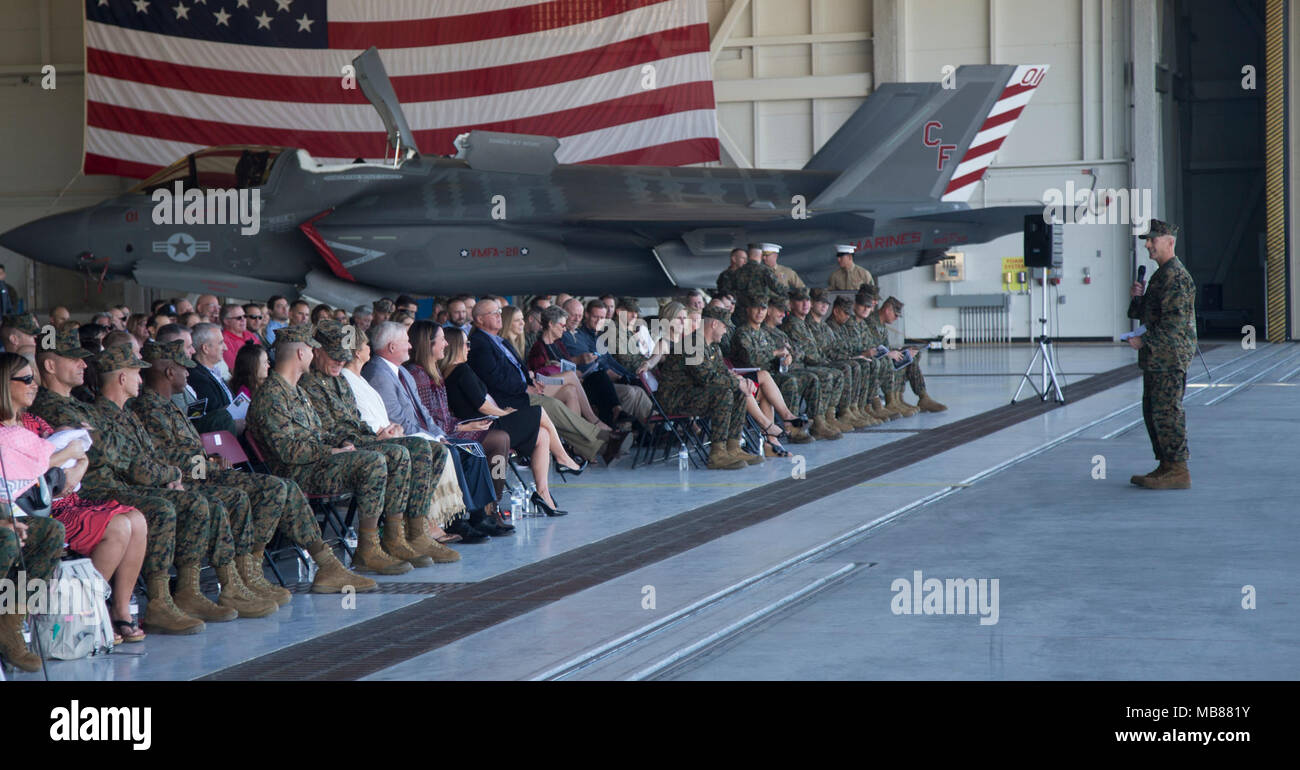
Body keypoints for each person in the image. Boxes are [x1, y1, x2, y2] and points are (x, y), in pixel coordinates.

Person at [133, 339, 369, 596]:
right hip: (188, 482)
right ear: (170, 372)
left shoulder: (167, 405)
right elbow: (168, 459)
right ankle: (245, 575)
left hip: (203, 475)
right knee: (265, 491)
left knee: (282, 487)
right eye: (184, 368)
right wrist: (209, 463)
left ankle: (316, 564)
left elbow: (181, 452)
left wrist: (209, 459)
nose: (188, 373)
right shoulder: (149, 408)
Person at [4, 352, 148, 647]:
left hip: (63, 494)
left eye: (34, 379)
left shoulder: (33, 420)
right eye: (27, 380)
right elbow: (31, 472)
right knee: (119, 526)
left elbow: (79, 456)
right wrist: (65, 461)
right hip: (37, 505)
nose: (35, 386)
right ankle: (90, 612)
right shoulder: (6, 427)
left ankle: (117, 609)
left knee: (137, 519)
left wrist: (73, 466)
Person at [302, 321, 465, 560]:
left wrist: (374, 436)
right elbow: (328, 430)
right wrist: (367, 438)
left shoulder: (336, 381)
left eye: (343, 356)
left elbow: (351, 423)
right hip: (333, 456)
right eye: (335, 356)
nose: (340, 361)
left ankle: (414, 531)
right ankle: (379, 542)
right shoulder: (313, 384)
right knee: (400, 452)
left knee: (433, 450)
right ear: (317, 353)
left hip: (358, 443)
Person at [442, 327, 578, 515]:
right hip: (485, 424)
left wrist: (502, 412)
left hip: (484, 421)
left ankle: (543, 493)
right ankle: (563, 458)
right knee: (538, 411)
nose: (469, 348)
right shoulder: (461, 370)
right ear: (456, 346)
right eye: (466, 344)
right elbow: (482, 405)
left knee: (542, 434)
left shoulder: (454, 371)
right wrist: (503, 414)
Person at [1127, 219, 1197, 489]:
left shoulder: (1176, 277)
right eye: (1147, 240)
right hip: (1158, 357)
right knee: (1153, 412)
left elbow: (1174, 324)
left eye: (1152, 240)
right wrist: (1138, 297)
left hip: (1170, 356)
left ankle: (1179, 470)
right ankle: (1166, 464)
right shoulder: (1160, 275)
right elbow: (1143, 313)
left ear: (1169, 242)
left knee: (1167, 412)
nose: (1147, 245)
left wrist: (1145, 340)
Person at [731, 293, 838, 440]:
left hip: (771, 375)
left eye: (763, 308)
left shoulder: (764, 334)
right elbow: (751, 358)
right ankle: (791, 427)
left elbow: (785, 352)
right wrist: (776, 353)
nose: (760, 312)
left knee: (811, 378)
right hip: (752, 378)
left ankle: (817, 422)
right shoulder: (742, 333)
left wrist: (786, 357)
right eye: (756, 308)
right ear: (748, 310)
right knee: (790, 381)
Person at [655, 307, 752, 469]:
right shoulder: (692, 344)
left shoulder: (713, 346)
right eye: (724, 327)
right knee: (724, 393)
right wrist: (737, 383)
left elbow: (722, 373)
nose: (725, 331)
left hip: (693, 393)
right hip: (674, 398)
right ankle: (717, 454)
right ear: (714, 324)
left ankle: (733, 447)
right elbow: (706, 378)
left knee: (737, 392)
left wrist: (739, 380)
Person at [870, 295, 946, 414]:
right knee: (898, 358)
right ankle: (893, 401)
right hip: (875, 361)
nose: (896, 318)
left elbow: (884, 348)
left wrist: (901, 351)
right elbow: (873, 350)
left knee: (912, 356)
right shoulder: (872, 323)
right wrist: (891, 353)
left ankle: (918, 397)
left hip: (883, 357)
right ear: (887, 310)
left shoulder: (881, 325)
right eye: (895, 315)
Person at [188, 323, 239, 430]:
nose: (225, 348)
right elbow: (215, 416)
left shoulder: (213, 371)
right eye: (221, 343)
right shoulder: (197, 377)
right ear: (205, 348)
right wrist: (236, 425)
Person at [219, 304, 260, 371]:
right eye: (239, 318)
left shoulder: (249, 334)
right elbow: (234, 368)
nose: (243, 320)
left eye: (244, 316)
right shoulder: (223, 340)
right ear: (226, 321)